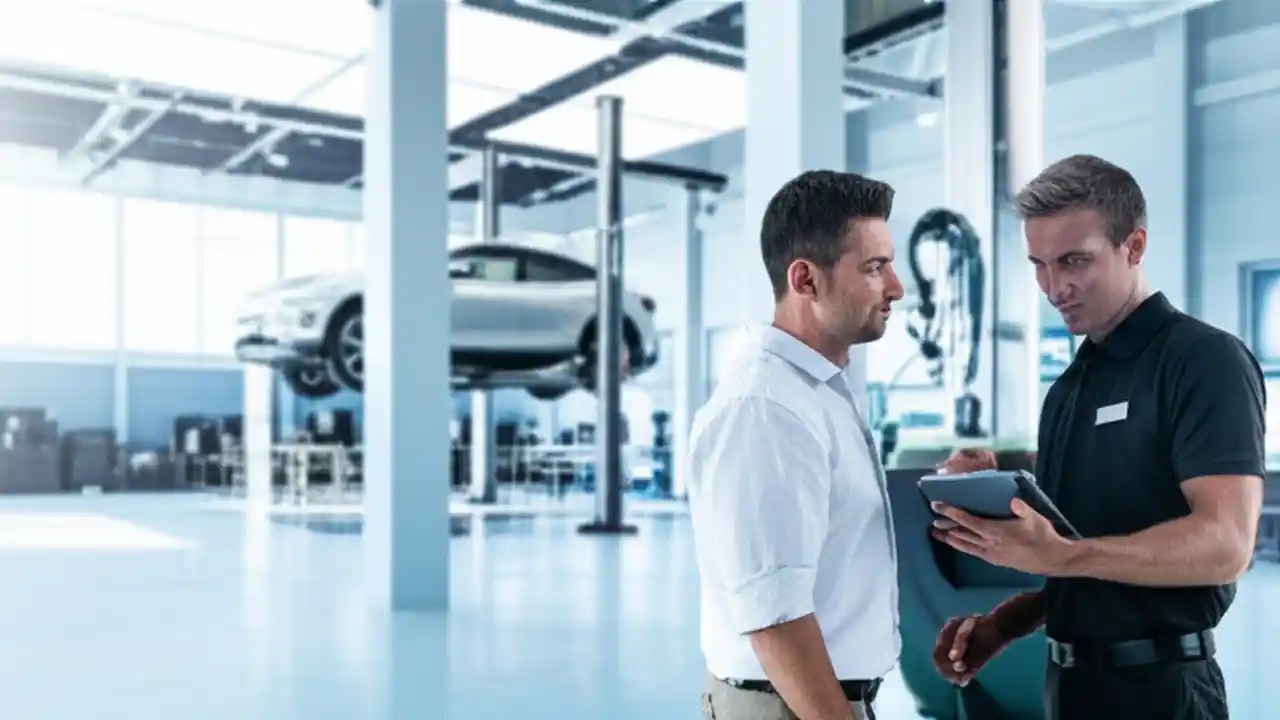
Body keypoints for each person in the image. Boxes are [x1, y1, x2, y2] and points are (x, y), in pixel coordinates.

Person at [929, 154, 1267, 719]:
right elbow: (1091, 558)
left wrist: (1062, 557)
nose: (1053, 287)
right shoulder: (1068, 389)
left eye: (1074, 261)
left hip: (1163, 692)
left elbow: (1225, 545)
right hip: (1069, 687)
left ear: (1134, 246)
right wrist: (1006, 625)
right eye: (1039, 264)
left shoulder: (1202, 361)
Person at [686, 170, 906, 720]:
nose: (896, 287)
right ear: (805, 280)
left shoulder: (820, 392)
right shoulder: (766, 407)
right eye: (874, 268)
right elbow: (774, 616)